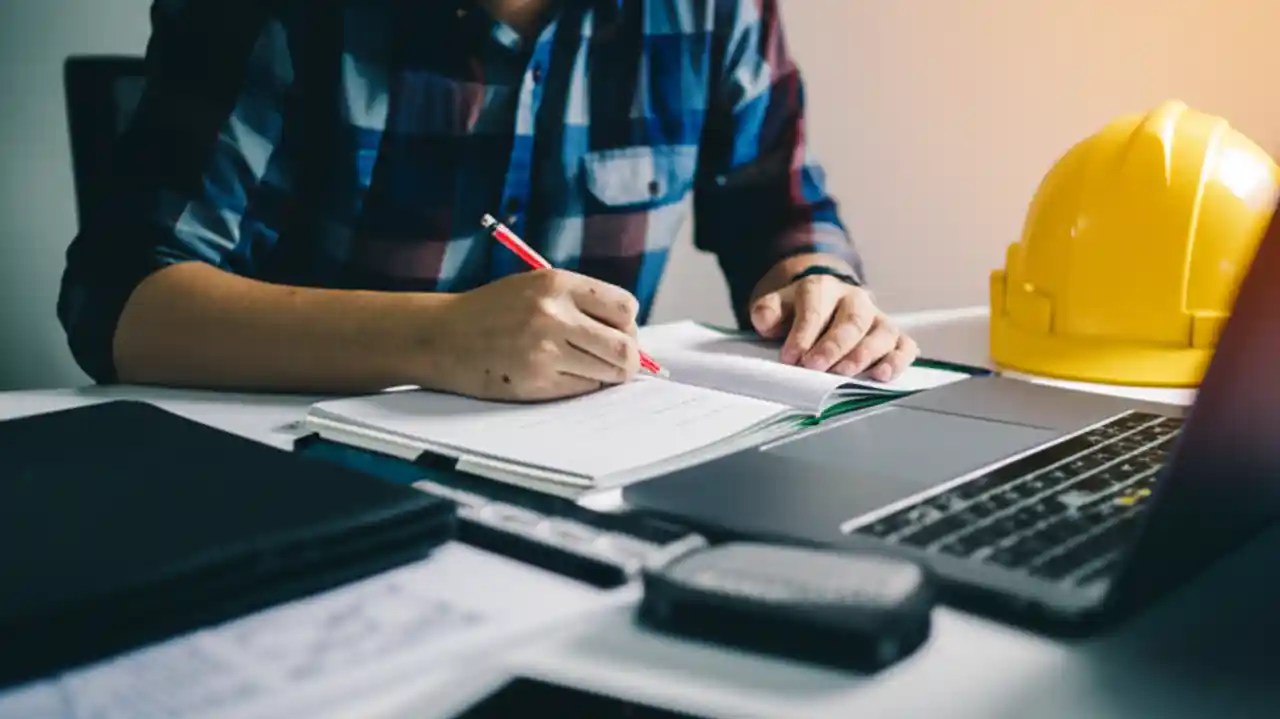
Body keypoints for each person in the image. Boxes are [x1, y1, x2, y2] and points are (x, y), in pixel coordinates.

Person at [58, 0, 919, 402]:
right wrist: (438, 337)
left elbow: (778, 212)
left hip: (589, 483)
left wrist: (819, 283)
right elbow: (124, 302)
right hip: (297, 474)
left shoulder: (716, 10)